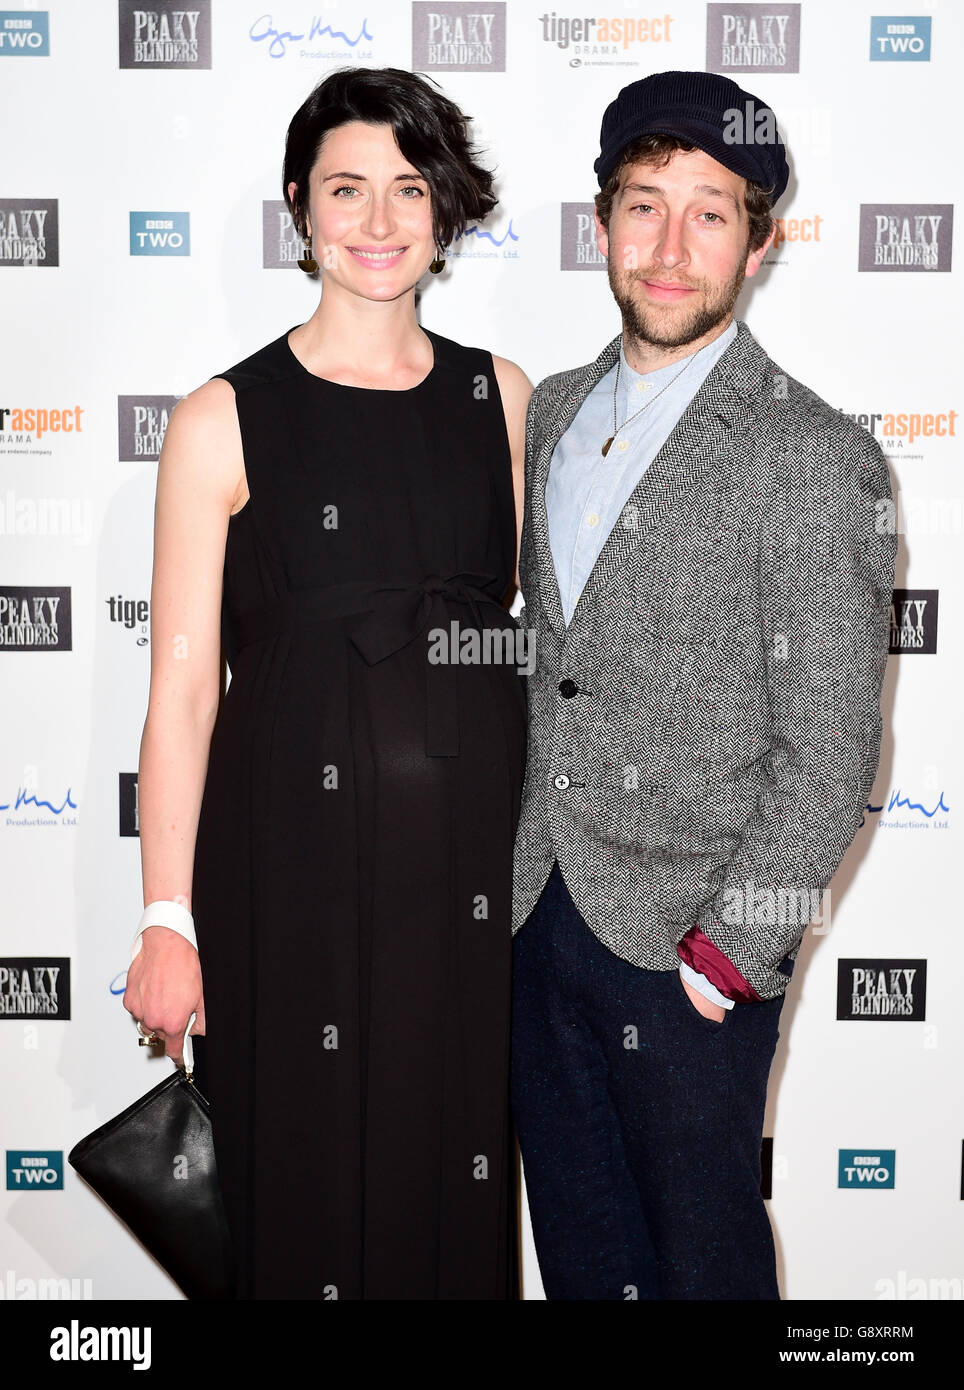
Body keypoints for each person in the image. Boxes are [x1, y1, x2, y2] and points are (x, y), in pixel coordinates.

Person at [123, 65, 531, 1300]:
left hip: (467, 892)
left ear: (446, 208)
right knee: (301, 1191)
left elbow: (533, 655)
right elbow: (186, 693)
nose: (378, 220)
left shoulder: (500, 397)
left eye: (409, 189)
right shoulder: (219, 419)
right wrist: (166, 917)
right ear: (300, 205)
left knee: (450, 1192)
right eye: (346, 188)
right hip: (285, 884)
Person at [510, 70, 896, 1300]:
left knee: (704, 1268)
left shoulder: (812, 454)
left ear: (760, 240)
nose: (669, 247)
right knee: (583, 1260)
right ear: (601, 223)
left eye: (709, 212)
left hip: (688, 953)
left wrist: (728, 952)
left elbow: (833, 745)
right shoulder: (548, 414)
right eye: (642, 206)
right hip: (534, 917)